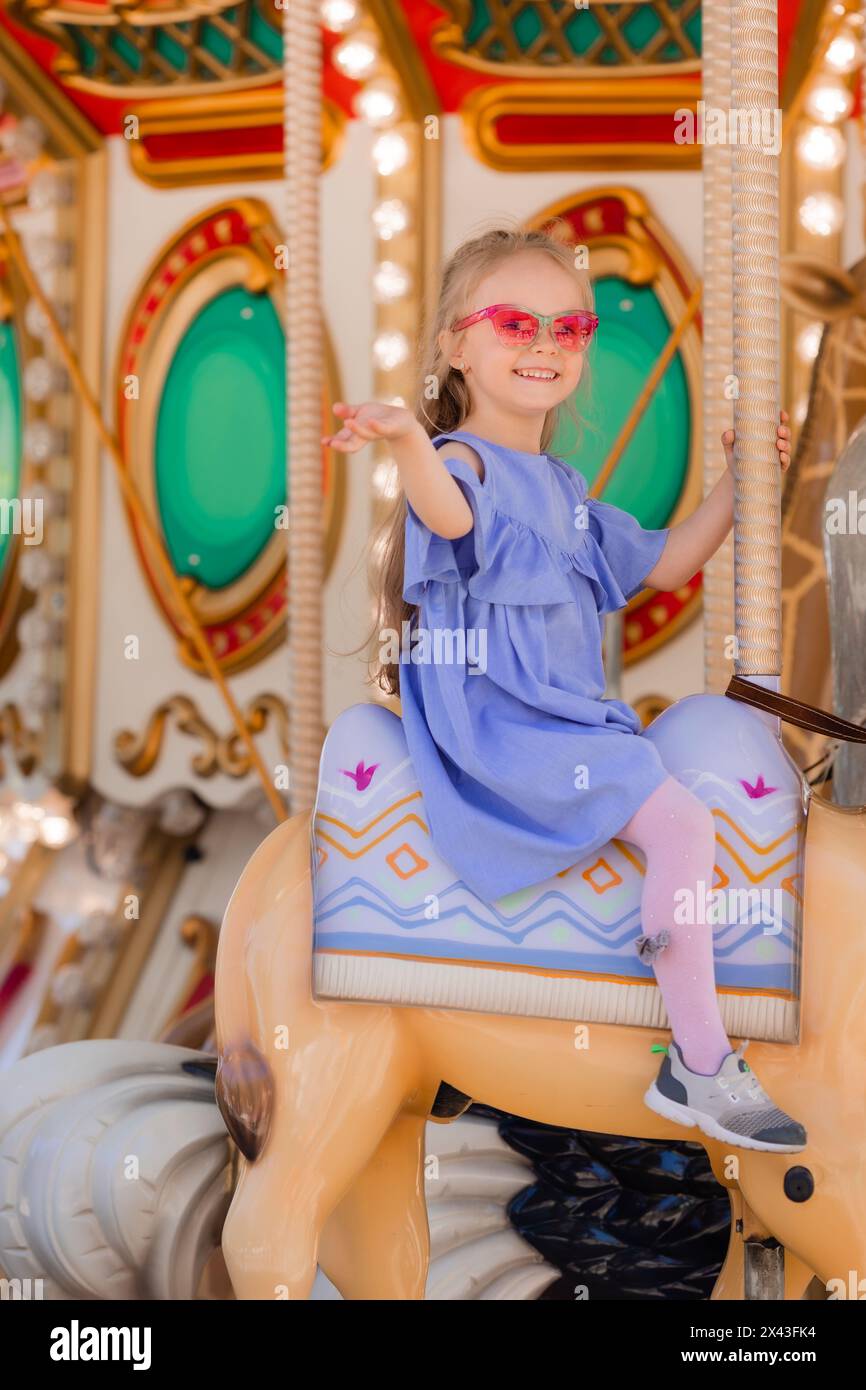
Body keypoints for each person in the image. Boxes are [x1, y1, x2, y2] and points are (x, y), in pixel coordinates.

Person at [323, 223, 806, 1154]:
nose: (545, 345)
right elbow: (447, 510)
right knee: (684, 825)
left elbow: (667, 565)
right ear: (455, 345)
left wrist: (747, 481)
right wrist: (401, 439)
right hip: (507, 728)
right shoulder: (460, 462)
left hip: (569, 722)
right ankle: (700, 1061)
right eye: (514, 323)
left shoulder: (564, 486)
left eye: (570, 329)